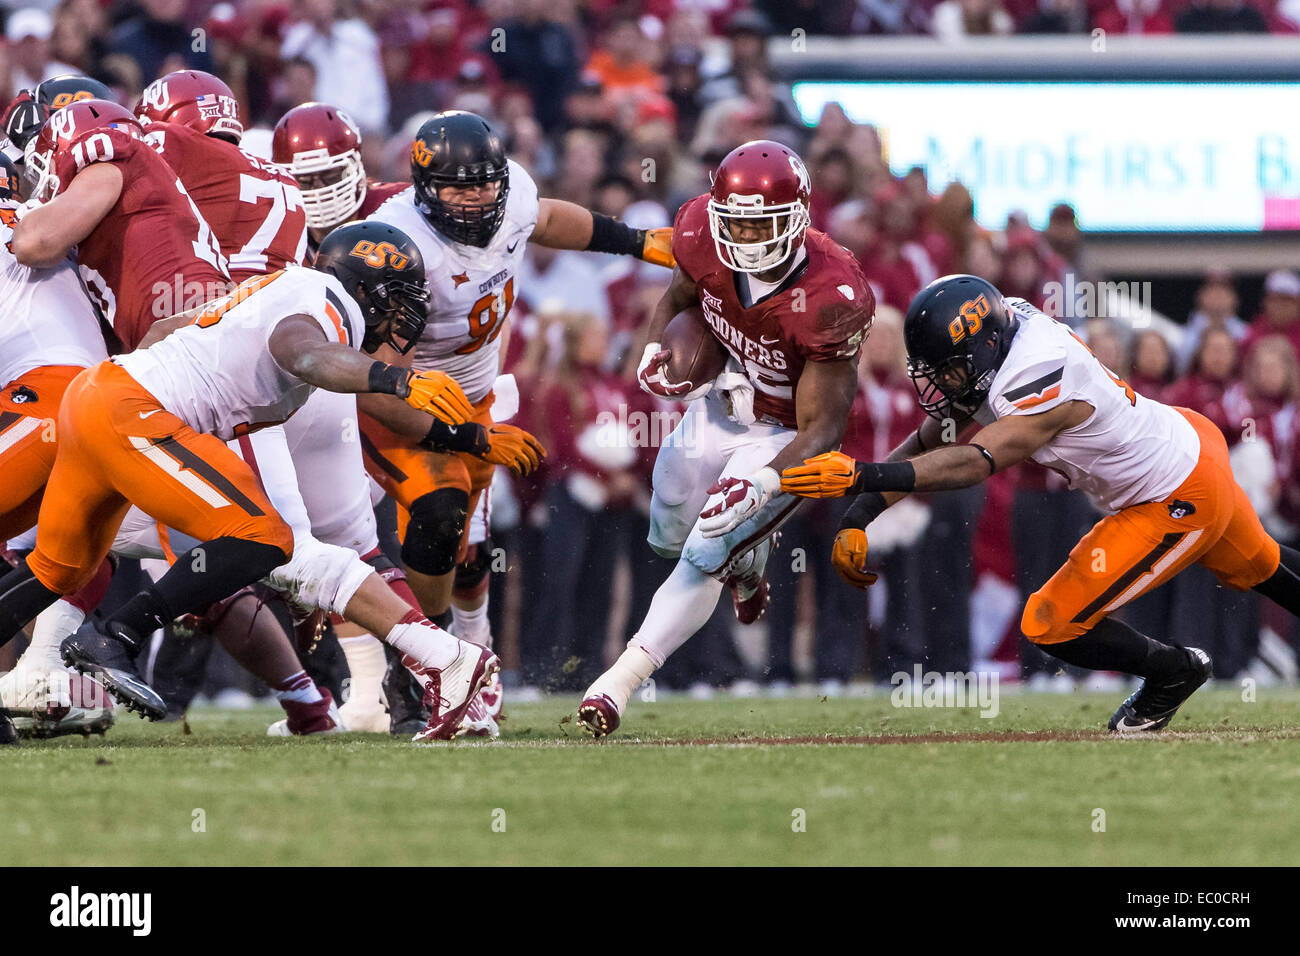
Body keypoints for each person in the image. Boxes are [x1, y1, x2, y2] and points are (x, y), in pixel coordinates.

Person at [0, 221, 496, 745]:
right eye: (397, 301)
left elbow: (166, 331)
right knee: (265, 538)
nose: (403, 317)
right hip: (129, 410)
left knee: (58, 570)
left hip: (98, 395)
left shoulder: (282, 286)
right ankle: (116, 635)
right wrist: (399, 380)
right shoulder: (327, 297)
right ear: (366, 290)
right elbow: (299, 352)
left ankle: (110, 638)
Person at [781, 274, 1300, 733]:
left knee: (1049, 623)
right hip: (1188, 439)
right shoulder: (1001, 332)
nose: (940, 384)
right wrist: (861, 513)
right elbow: (931, 438)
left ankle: (1173, 671)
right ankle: (1175, 669)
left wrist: (860, 476)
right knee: (1267, 567)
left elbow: (974, 460)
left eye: (950, 372)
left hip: (1173, 494)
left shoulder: (1037, 375)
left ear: (983, 350)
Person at [361, 109, 673, 729]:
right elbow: (377, 383)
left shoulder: (516, 198)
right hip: (408, 404)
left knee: (470, 549)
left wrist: (634, 241)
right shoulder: (397, 245)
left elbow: (552, 219)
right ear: (423, 188)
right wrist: (469, 435)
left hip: (477, 395)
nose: (476, 200)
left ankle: (470, 654)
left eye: (485, 184)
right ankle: (419, 662)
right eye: (458, 186)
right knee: (437, 511)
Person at [576, 140, 875, 737]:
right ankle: (748, 570)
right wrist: (656, 350)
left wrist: (764, 481)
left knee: (706, 544)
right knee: (666, 530)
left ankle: (618, 683)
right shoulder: (698, 234)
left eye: (757, 222)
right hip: (719, 411)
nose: (741, 236)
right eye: (732, 220)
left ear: (795, 220)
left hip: (786, 436)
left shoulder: (832, 296)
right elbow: (679, 297)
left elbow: (824, 428)